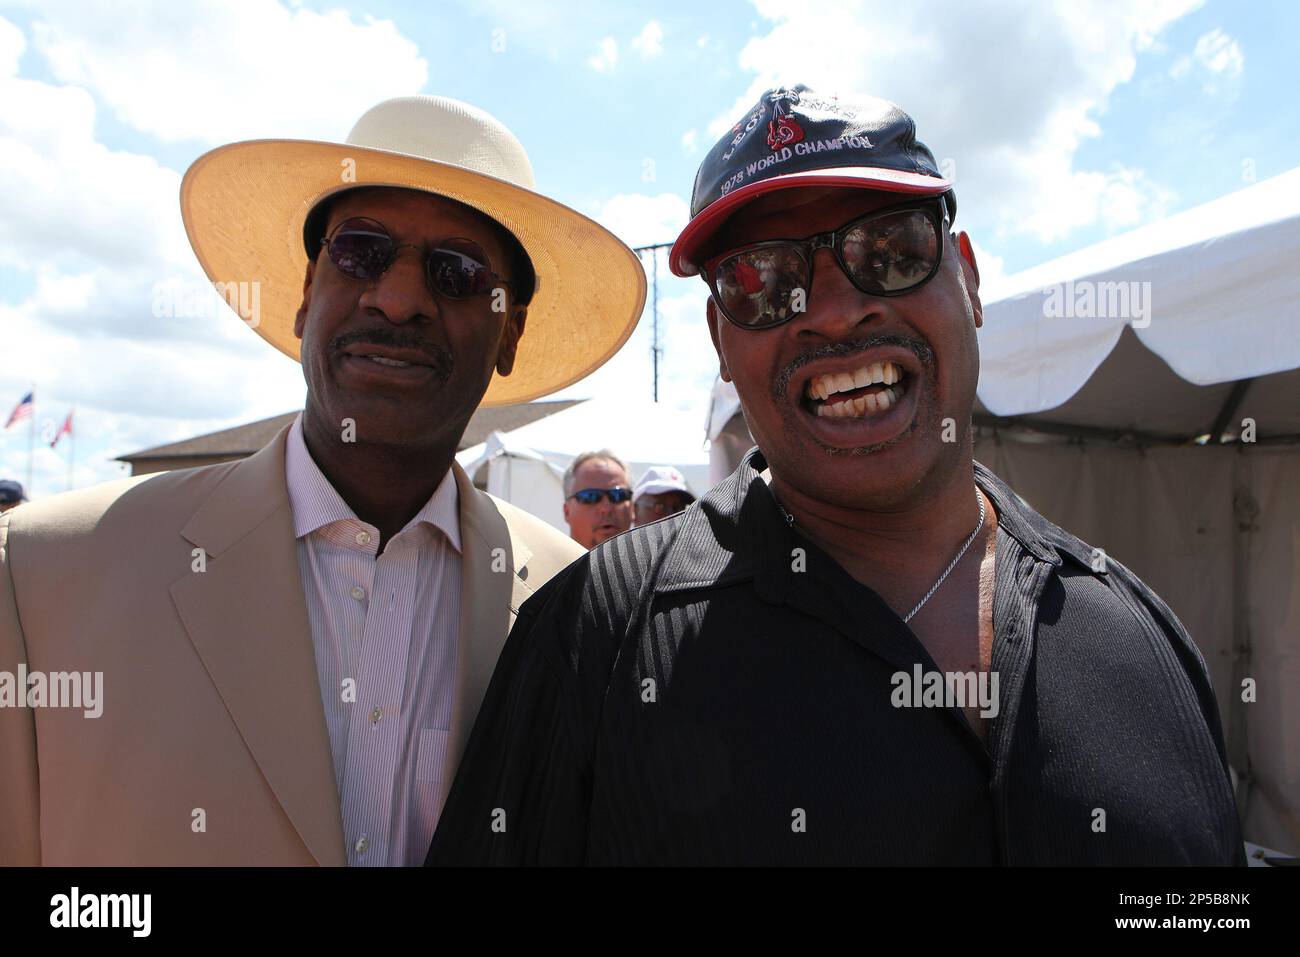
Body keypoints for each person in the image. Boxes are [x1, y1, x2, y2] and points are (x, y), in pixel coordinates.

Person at [427, 85, 1244, 866]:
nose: (831, 309)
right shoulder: (593, 640)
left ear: (966, 275)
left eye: (890, 250)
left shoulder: (1137, 636)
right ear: (719, 337)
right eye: (762, 280)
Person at [0, 94, 645, 865]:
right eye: (361, 252)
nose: (400, 299)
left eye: (458, 271)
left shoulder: (578, 606)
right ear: (309, 291)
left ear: (510, 333)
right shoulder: (42, 575)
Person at [561, 449, 634, 549]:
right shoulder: (543, 564)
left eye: (618, 495)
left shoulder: (654, 563)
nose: (606, 508)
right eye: (591, 497)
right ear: (567, 511)